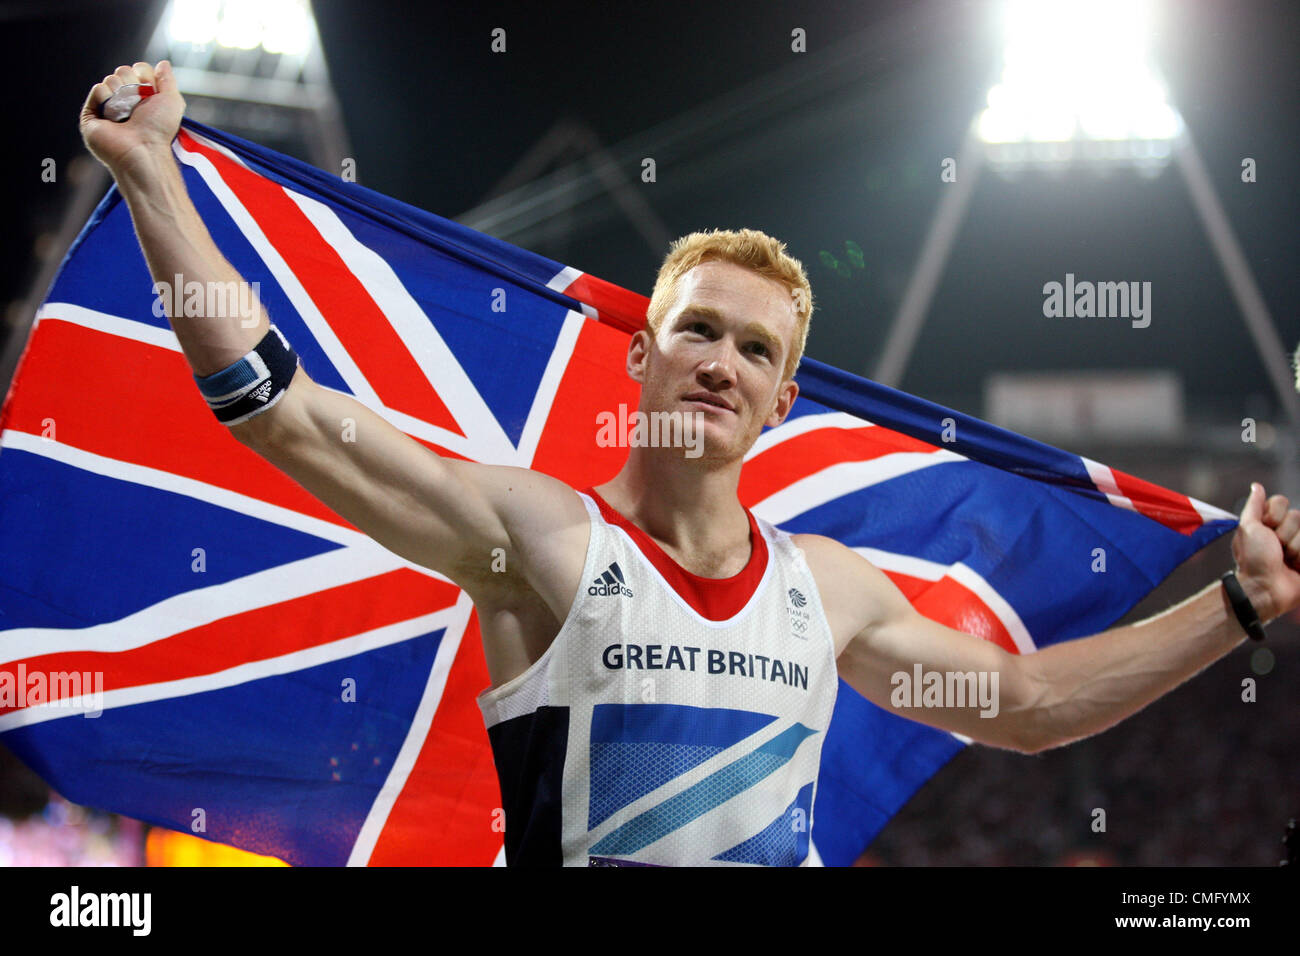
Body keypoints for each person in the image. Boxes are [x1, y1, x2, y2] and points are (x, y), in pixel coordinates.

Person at [81, 60, 1300, 867]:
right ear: (640, 362)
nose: (721, 361)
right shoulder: (539, 539)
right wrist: (152, 179)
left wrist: (1233, 604)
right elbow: (278, 410)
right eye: (697, 331)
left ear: (780, 398)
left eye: (754, 348)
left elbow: (1025, 709)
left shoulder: (828, 594)